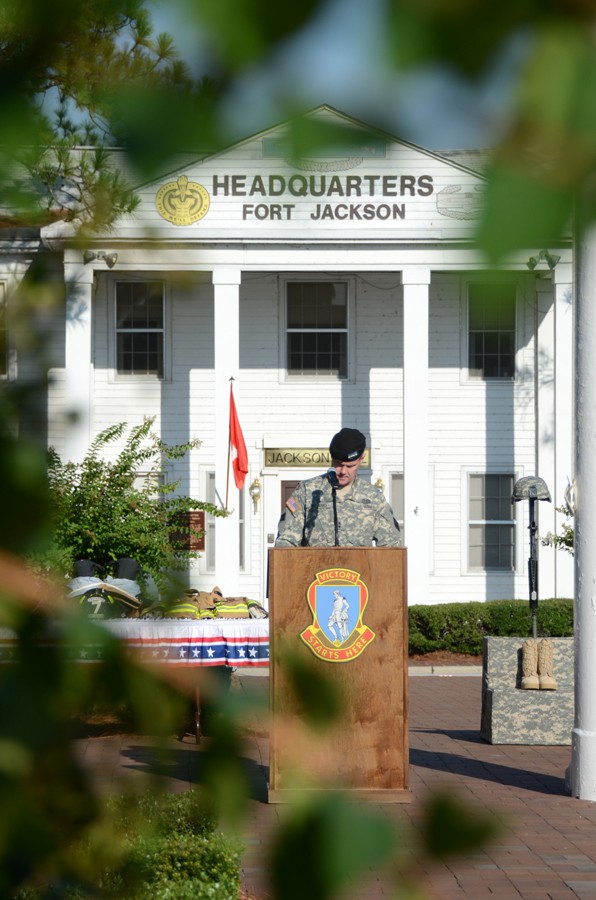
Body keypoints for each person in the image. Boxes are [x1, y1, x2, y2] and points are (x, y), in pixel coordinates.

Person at [275, 428, 401, 547]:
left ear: (362, 458)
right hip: (314, 568)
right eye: (338, 464)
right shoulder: (306, 492)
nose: (343, 471)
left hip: (358, 569)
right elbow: (285, 542)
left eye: (350, 466)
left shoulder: (373, 498)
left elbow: (392, 546)